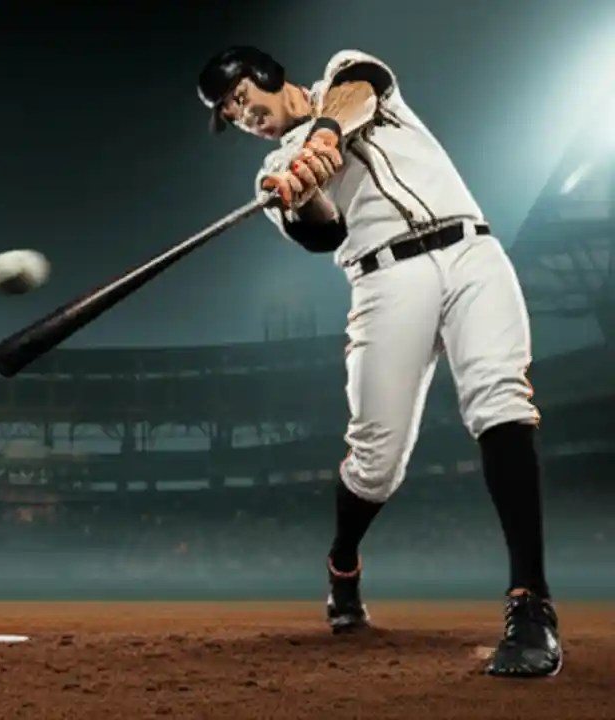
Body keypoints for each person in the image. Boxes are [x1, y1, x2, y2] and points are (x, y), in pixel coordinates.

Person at [196, 46, 561, 678]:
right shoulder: (272, 170)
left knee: (501, 399)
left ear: (265, 74)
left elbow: (359, 93)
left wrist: (325, 138)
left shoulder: (346, 72)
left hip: (472, 249)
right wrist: (300, 190)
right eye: (228, 116)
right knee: (376, 462)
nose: (240, 116)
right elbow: (323, 233)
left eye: (237, 98)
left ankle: (531, 605)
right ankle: (343, 562)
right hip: (386, 280)